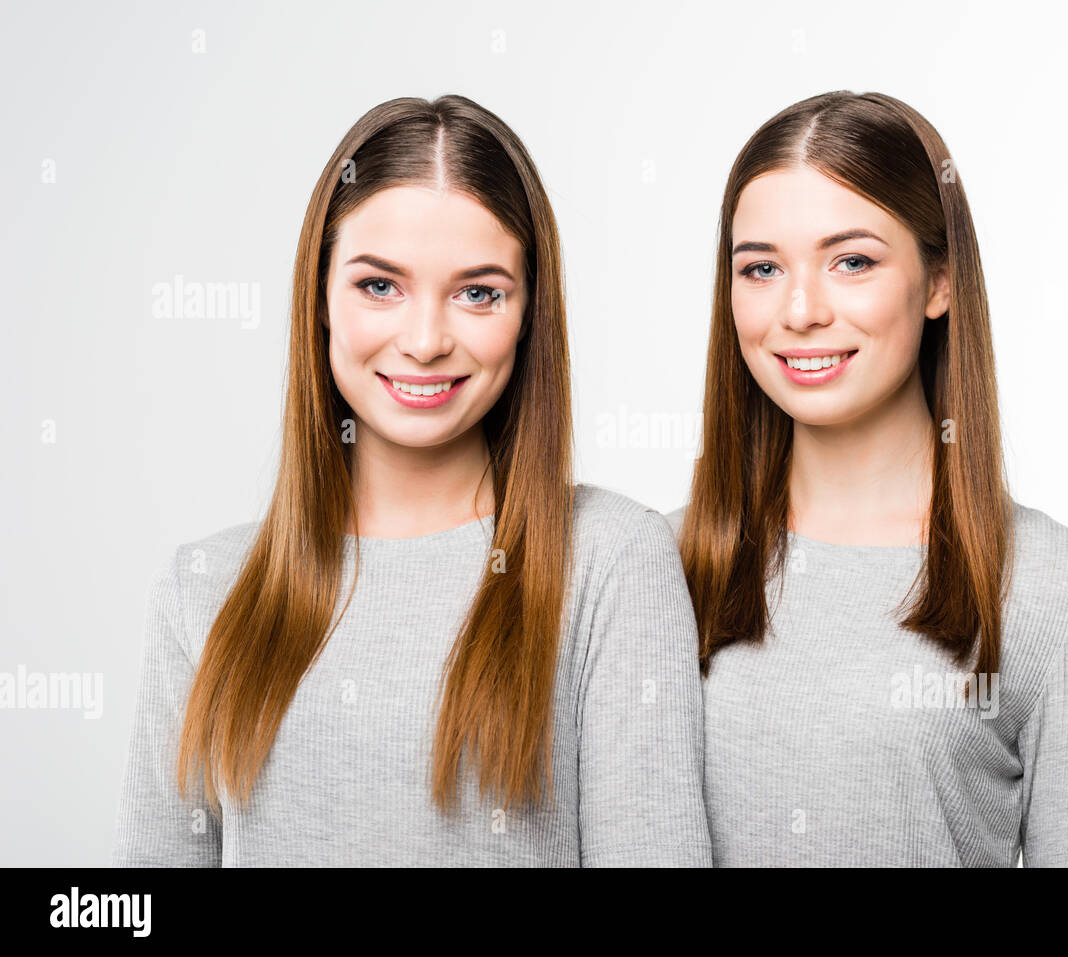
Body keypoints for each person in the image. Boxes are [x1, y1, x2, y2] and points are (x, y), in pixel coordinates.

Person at [112, 95, 711, 867]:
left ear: (529, 313)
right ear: (320, 297)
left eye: (478, 292)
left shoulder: (613, 559)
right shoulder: (203, 587)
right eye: (380, 285)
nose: (425, 340)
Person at [668, 90, 1068, 867]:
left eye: (851, 261)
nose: (798, 309)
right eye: (760, 268)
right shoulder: (655, 564)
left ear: (939, 282)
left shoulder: (1064, 592)